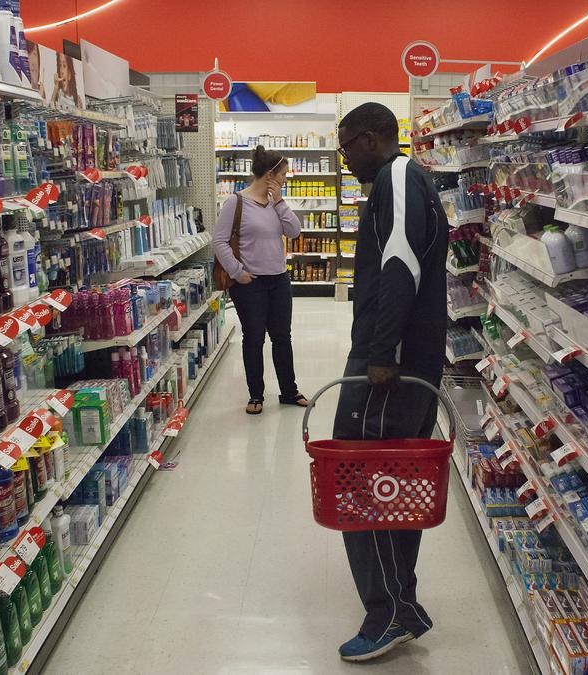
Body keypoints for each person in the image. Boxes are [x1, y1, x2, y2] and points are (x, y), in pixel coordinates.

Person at [330, 103, 447, 662]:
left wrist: (380, 353)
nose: (344, 156)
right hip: (407, 362)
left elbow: (401, 263)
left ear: (372, 139)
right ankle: (400, 598)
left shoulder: (397, 175)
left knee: (360, 478)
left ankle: (389, 611)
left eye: (346, 145)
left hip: (390, 368)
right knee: (392, 482)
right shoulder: (404, 178)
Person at [213, 146, 310, 415]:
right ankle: (256, 395)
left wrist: (279, 202)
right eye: (283, 174)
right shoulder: (237, 202)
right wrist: (236, 272)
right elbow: (219, 240)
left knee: (282, 337)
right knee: (254, 338)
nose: (285, 179)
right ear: (270, 174)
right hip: (249, 284)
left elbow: (294, 231)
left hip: (279, 280)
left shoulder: (275, 203)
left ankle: (289, 391)